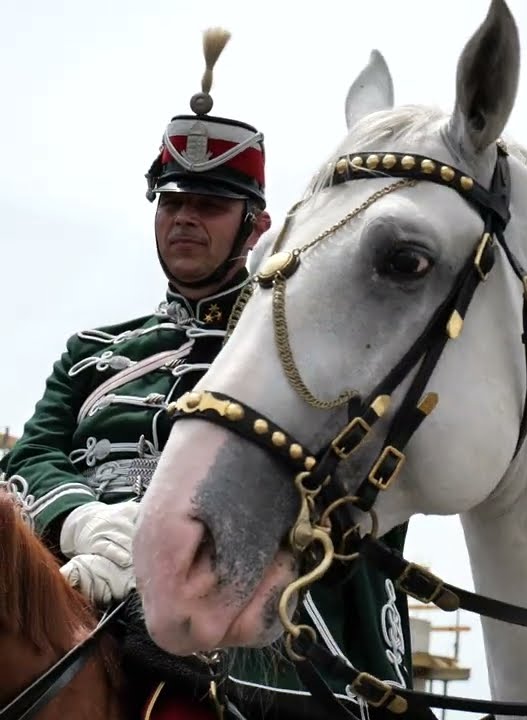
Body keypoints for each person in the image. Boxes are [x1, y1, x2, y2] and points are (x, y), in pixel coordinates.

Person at [0, 29, 412, 720]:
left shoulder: (293, 345)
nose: (184, 218)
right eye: (172, 202)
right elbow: (35, 453)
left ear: (256, 225)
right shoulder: (92, 349)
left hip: (227, 613)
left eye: (209, 205)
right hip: (76, 582)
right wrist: (85, 522)